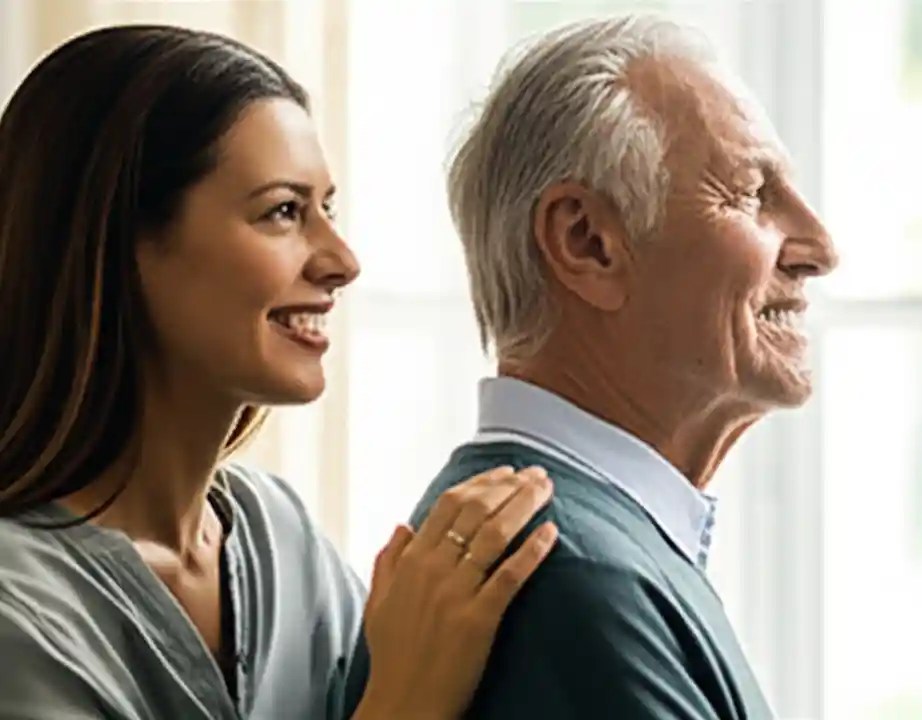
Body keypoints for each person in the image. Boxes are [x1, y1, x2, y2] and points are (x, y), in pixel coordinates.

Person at [0, 25, 558, 720]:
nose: (341, 260)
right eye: (283, 212)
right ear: (120, 247)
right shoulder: (17, 610)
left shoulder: (280, 538)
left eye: (328, 208)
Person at [406, 14, 838, 720]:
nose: (820, 246)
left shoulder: (586, 544)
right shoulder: (574, 577)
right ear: (587, 242)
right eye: (754, 195)